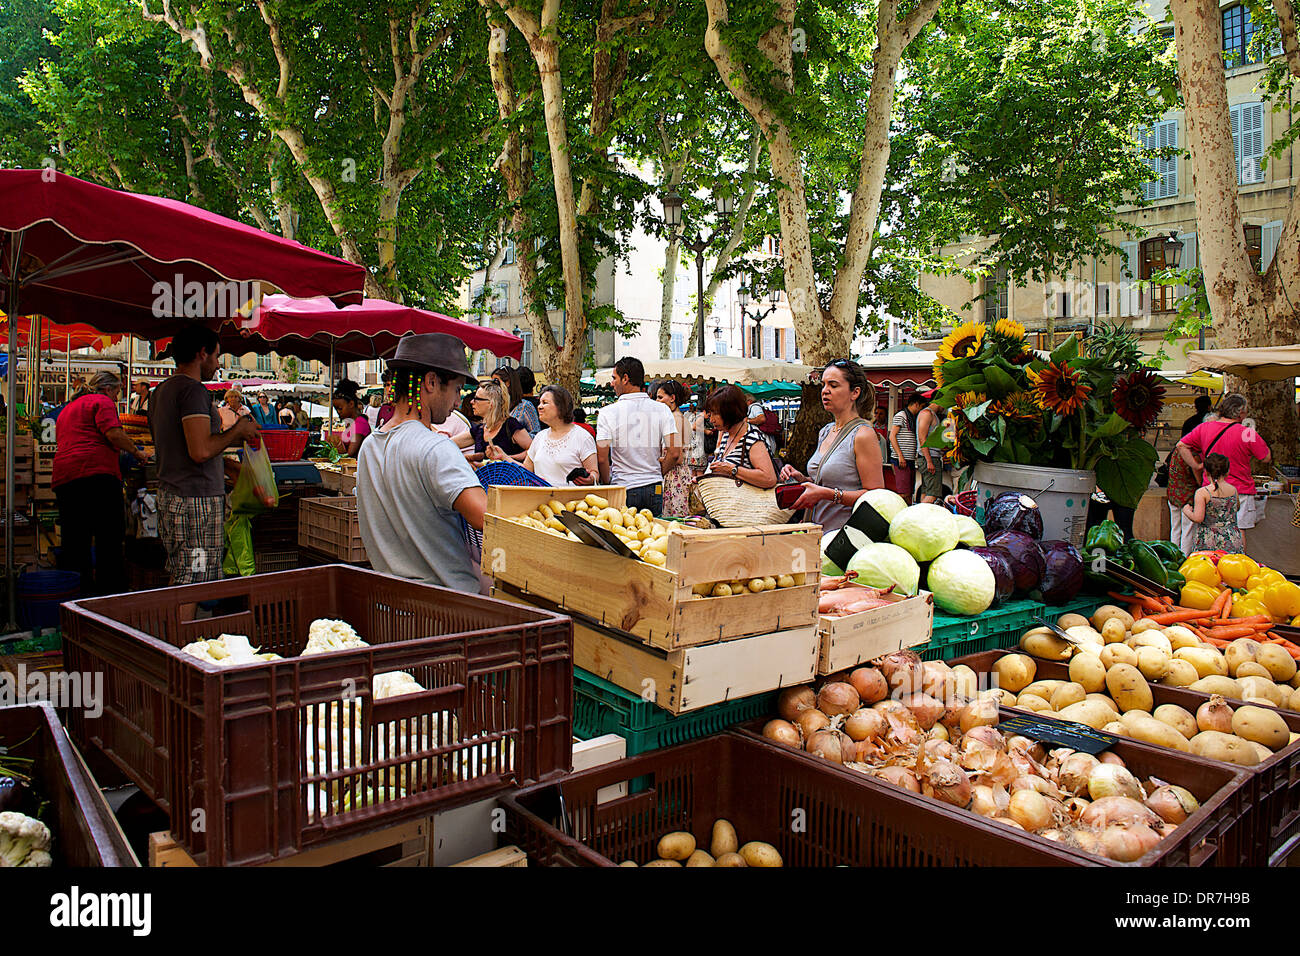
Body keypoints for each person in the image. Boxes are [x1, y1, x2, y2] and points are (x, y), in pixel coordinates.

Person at [354, 334, 486, 592]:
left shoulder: (369, 447)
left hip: (391, 602)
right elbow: (487, 518)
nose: (458, 401)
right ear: (431, 382)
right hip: (447, 609)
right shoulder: (436, 448)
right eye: (457, 389)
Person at [149, 324, 260, 586]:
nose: (217, 363)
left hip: (172, 494)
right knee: (195, 578)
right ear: (202, 353)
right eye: (216, 356)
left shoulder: (160, 392)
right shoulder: (193, 390)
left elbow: (182, 447)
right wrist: (238, 430)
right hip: (194, 501)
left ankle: (180, 627)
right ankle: (187, 628)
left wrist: (225, 465)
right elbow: (199, 451)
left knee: (183, 573)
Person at [52, 371, 150, 595]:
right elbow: (114, 434)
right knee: (109, 538)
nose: (116, 398)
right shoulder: (101, 401)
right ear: (108, 389)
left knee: (75, 541)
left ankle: (77, 596)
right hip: (96, 475)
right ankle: (110, 595)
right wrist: (136, 452)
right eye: (116, 392)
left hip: (65, 477)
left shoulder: (69, 408)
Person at [780, 360, 884, 533]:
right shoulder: (826, 431)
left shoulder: (863, 435)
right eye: (823, 384)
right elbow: (825, 482)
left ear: (855, 393)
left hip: (846, 538)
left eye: (833, 385)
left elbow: (876, 497)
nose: (825, 391)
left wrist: (827, 494)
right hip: (818, 532)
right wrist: (802, 479)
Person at [1176, 393, 1271, 549]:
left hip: (1210, 489)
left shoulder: (1204, 427)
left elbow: (1181, 445)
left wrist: (1196, 465)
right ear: (1241, 413)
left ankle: (1211, 568)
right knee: (1237, 532)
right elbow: (1265, 457)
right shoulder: (1246, 432)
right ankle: (1236, 566)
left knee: (1209, 531)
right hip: (1240, 491)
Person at [596, 357, 681, 515]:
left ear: (625, 379)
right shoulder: (662, 410)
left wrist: (607, 481)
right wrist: (656, 472)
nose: (612, 383)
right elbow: (675, 453)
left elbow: (602, 458)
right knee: (653, 537)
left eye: (614, 378)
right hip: (654, 486)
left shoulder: (607, 413)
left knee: (626, 537)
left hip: (623, 487)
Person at [703, 385, 778, 489]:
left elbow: (769, 478)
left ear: (730, 412)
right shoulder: (727, 435)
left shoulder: (752, 438)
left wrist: (733, 469)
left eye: (715, 413)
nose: (711, 420)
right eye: (710, 414)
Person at [523, 385, 598, 485]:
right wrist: (505, 457)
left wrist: (590, 479)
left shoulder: (582, 436)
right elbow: (525, 470)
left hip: (572, 500)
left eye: (545, 403)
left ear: (560, 407)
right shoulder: (539, 437)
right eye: (540, 403)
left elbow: (594, 473)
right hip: (541, 499)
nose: (539, 407)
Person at [1168, 410, 1217, 555]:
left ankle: (1173, 557)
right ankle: (1184, 559)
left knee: (1175, 529)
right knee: (1188, 531)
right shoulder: (1193, 452)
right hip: (1187, 496)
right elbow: (1199, 479)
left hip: (1173, 494)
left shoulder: (1179, 449)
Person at [653, 380, 698, 516]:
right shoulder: (678, 417)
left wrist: (659, 466)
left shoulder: (675, 418)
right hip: (677, 476)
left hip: (675, 477)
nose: (657, 401)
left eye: (660, 397)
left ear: (672, 398)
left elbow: (676, 456)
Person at [1183, 453, 1243, 553]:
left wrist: (1187, 511)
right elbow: (1236, 507)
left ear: (1206, 472)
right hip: (1232, 538)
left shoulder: (1202, 493)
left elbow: (1198, 518)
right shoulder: (1233, 490)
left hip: (1209, 539)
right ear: (1227, 471)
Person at [470, 380, 532, 464]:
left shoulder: (510, 426)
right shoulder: (480, 430)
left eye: (477, 399)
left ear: (491, 403)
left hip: (510, 476)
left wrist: (505, 458)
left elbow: (532, 450)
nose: (472, 402)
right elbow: (449, 442)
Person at [493, 365, 542, 436]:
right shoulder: (497, 406)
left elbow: (536, 435)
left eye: (496, 382)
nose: (492, 386)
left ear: (508, 383)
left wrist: (517, 436)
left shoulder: (525, 406)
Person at [913, 393, 944, 504]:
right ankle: (916, 516)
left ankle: (920, 518)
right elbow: (922, 438)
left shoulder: (931, 414)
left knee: (925, 492)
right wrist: (929, 461)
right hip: (929, 458)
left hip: (929, 457)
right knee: (932, 495)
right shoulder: (927, 414)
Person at [330, 379, 372, 457]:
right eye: (336, 409)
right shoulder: (351, 423)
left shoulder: (360, 423)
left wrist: (337, 444)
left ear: (351, 404)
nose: (338, 412)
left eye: (340, 408)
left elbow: (349, 454)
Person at [889, 391, 924, 469]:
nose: (921, 410)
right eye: (922, 406)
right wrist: (900, 456)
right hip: (901, 459)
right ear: (916, 404)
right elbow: (892, 436)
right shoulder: (901, 416)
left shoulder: (911, 417)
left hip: (909, 458)